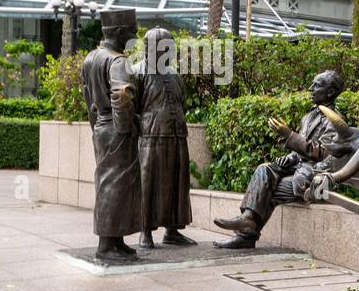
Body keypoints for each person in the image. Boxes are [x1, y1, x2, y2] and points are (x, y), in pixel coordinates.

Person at [213, 69, 345, 249]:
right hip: (297, 168)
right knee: (264, 169)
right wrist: (290, 158)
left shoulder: (335, 121)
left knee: (267, 192)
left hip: (313, 177)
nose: (310, 88)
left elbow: (324, 154)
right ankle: (247, 223)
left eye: (316, 85)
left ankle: (246, 233)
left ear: (330, 92)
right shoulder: (308, 117)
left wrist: (289, 135)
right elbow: (301, 150)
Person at [81, 8, 142, 261]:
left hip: (102, 126)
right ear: (119, 32)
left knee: (112, 184)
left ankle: (116, 240)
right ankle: (106, 246)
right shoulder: (117, 61)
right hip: (117, 129)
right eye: (132, 32)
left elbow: (87, 97)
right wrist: (126, 126)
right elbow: (122, 94)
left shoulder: (90, 58)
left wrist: (96, 125)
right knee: (114, 185)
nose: (135, 37)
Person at [134, 28, 195, 249]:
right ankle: (145, 232)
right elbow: (132, 107)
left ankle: (172, 231)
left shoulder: (174, 75)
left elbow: (182, 103)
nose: (170, 51)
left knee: (178, 184)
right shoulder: (137, 72)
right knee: (148, 184)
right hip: (151, 138)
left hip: (177, 135)